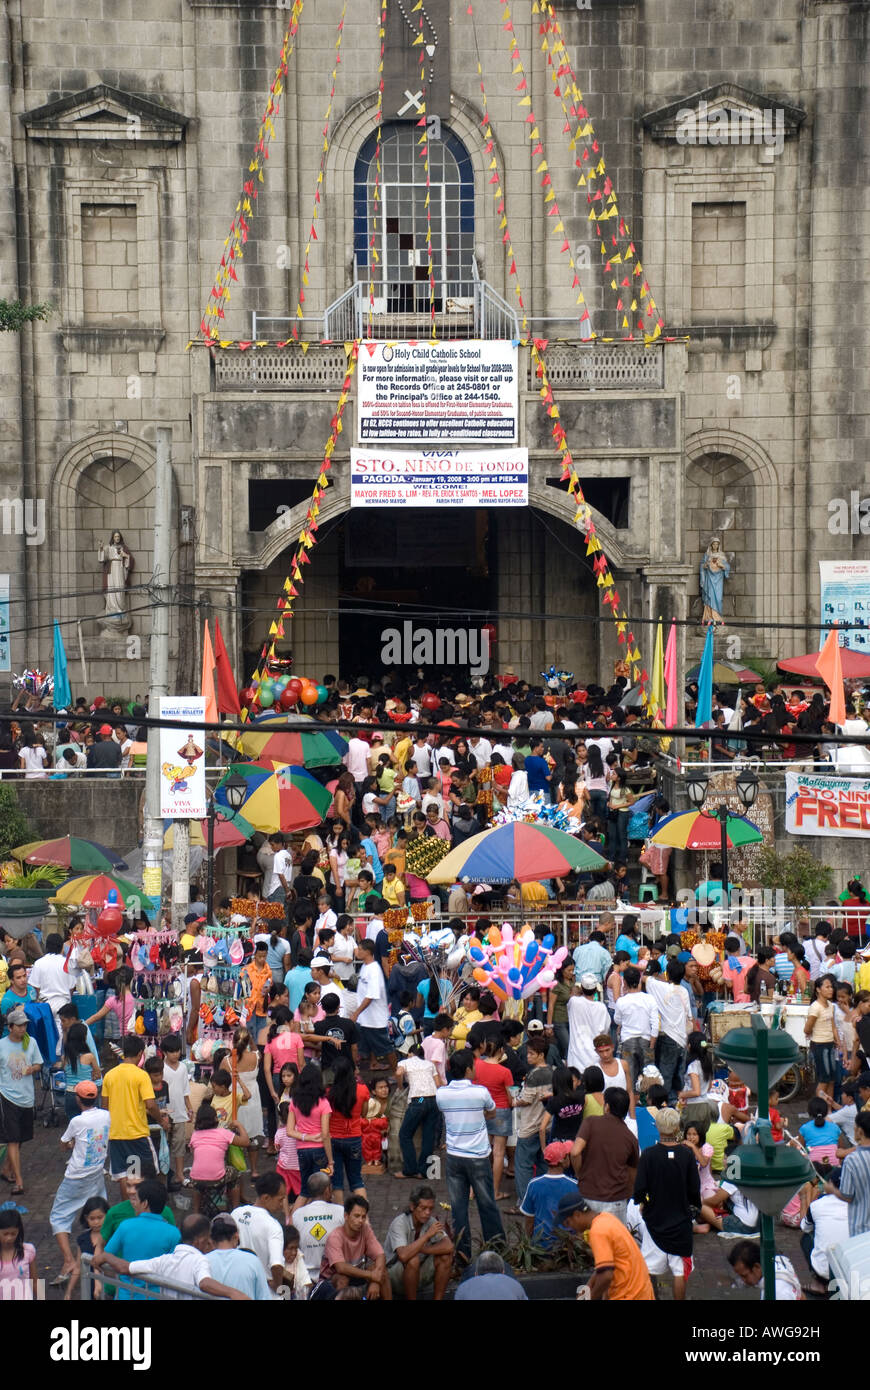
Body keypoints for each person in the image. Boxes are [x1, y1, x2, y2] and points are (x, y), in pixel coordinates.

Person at [436, 1048, 505, 1265]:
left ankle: (462, 1255)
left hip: (454, 1157)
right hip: (478, 1156)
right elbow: (492, 1112)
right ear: (467, 1070)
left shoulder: (442, 1094)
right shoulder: (480, 1092)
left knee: (458, 1208)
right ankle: (497, 1249)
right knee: (487, 1204)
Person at [99, 1211, 250, 1300]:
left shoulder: (164, 1260)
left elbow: (126, 1268)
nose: (210, 1244)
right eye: (208, 1240)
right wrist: (234, 1293)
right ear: (200, 1241)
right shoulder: (199, 1261)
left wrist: (106, 1257)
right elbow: (204, 1283)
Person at [632, 1108, 700, 1300]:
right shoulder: (686, 1155)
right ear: (677, 1127)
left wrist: (644, 1203)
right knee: (679, 1272)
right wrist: (693, 1210)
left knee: (648, 1269)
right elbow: (694, 1189)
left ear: (658, 1128)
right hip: (681, 1222)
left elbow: (639, 1190)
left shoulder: (648, 1155)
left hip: (655, 1220)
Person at [49, 1079, 111, 1286]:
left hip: (76, 1175)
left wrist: (72, 1144)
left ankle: (69, 1262)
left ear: (78, 1099)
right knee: (101, 1212)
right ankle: (99, 1255)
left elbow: (63, 1144)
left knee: (59, 1217)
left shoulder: (77, 1121)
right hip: (96, 1171)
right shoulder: (106, 1115)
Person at [102, 1035, 169, 1199]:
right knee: (147, 1173)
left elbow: (105, 1107)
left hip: (116, 1134)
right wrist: (162, 1121)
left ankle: (129, 1209)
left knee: (124, 1175)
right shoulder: (141, 1075)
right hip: (137, 1134)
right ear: (140, 1053)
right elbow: (151, 1105)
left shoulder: (109, 1075)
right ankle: (147, 1207)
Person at [92, 1180, 180, 1300]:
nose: (134, 1203)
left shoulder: (125, 1226)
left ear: (144, 1204)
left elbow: (107, 1253)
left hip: (126, 1295)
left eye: (136, 1200)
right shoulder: (174, 1233)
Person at [558, 1191, 654, 1300]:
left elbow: (606, 1276)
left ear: (577, 1215)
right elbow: (605, 1267)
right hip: (641, 1291)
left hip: (629, 1295)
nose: (570, 1227)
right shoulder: (606, 1218)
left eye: (568, 1223)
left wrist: (591, 1296)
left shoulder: (598, 1232)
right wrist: (589, 1286)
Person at [570, 1087, 639, 1223]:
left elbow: (575, 1151)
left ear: (606, 1106)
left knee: (588, 1240)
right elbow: (632, 1175)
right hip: (616, 1201)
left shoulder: (590, 1122)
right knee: (612, 1241)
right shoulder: (630, 1138)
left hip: (588, 1195)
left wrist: (580, 1174)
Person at [384, 1183, 454, 1301]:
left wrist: (423, 1249)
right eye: (423, 1208)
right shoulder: (399, 1223)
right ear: (412, 1207)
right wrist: (427, 1236)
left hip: (418, 1274)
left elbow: (449, 1246)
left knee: (446, 1256)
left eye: (430, 1209)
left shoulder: (430, 1222)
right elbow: (403, 1256)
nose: (427, 1213)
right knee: (413, 1259)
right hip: (393, 1277)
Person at [0, 1005, 43, 1195]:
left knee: (21, 1139)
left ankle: (6, 1168)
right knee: (13, 1139)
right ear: (10, 1027)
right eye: (18, 1026)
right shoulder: (1, 1045)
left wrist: (31, 1069)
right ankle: (19, 1181)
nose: (22, 1029)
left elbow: (38, 1064)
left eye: (24, 1025)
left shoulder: (30, 1042)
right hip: (7, 1096)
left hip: (27, 1097)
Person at [320, 1194, 392, 1300]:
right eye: (356, 1216)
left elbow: (380, 1255)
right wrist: (371, 1276)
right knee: (342, 1279)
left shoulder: (365, 1230)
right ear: (346, 1216)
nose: (360, 1221)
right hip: (332, 1281)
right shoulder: (335, 1237)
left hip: (357, 1275)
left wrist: (376, 1280)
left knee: (383, 1272)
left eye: (363, 1217)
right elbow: (341, 1268)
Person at [512, 1034, 554, 1207]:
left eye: (531, 1054)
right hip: (547, 1125)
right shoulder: (553, 1071)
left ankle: (525, 1201)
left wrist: (513, 1101)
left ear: (541, 1054)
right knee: (543, 1164)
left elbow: (527, 1099)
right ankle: (545, 1198)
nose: (528, 1056)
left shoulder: (533, 1075)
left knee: (523, 1166)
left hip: (529, 1126)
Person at [473, 1037, 515, 1202]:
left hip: (483, 1111)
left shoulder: (477, 1065)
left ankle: (477, 1188)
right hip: (502, 1111)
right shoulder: (505, 1072)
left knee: (484, 1151)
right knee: (499, 1153)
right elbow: (510, 1098)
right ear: (501, 1051)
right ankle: (495, 1191)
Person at [284, 1062, 333, 1200]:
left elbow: (289, 1131)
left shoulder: (294, 1102)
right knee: (320, 1191)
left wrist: (306, 1137)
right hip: (319, 1151)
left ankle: (292, 1219)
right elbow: (325, 1134)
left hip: (301, 1150)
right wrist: (331, 1161)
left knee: (305, 1191)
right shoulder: (323, 1103)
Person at [646, 959, 692, 1104]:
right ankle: (675, 1103)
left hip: (667, 1038)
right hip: (682, 1038)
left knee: (665, 1074)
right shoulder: (684, 991)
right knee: (678, 1076)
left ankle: (662, 1105)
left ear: (667, 974)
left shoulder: (661, 987)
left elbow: (645, 978)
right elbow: (689, 1016)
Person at [232, 1172, 287, 1290]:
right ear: (266, 1198)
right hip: (263, 1290)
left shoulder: (236, 1213)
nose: (282, 1204)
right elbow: (276, 1264)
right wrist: (278, 1285)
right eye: (280, 1199)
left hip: (236, 1285)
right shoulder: (273, 1226)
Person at [327, 1054, 369, 1203]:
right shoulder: (363, 1090)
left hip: (334, 1139)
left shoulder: (328, 1093)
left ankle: (340, 1217)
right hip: (354, 1137)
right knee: (356, 1180)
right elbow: (364, 1113)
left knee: (336, 1181)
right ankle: (364, 1217)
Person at [395, 1042, 441, 1181]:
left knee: (405, 1134)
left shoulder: (405, 1062)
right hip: (433, 1100)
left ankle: (410, 1169)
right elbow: (438, 1084)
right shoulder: (429, 1064)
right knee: (428, 1136)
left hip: (420, 1100)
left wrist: (401, 1086)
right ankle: (423, 1171)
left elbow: (398, 1073)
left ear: (410, 1054)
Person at [800, 1169, 850, 1294]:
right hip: (851, 1270)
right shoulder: (857, 1204)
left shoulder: (818, 1204)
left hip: (824, 1271)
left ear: (830, 1184)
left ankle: (819, 1284)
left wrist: (804, 1197)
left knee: (806, 1238)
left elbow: (804, 1227)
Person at [519, 1140, 578, 1246]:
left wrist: (527, 1245)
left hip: (541, 1246)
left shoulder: (534, 1184)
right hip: (567, 1247)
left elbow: (529, 1221)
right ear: (563, 1160)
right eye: (567, 1155)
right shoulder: (574, 1185)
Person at [292, 1171, 346, 1283]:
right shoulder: (340, 1212)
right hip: (335, 1276)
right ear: (327, 1190)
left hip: (306, 1276)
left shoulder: (297, 1215)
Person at [351, 938, 396, 1072]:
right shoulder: (365, 966)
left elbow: (371, 996)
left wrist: (356, 1013)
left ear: (368, 952)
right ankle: (374, 1062)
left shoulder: (374, 970)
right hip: (366, 1018)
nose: (357, 952)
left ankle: (396, 1072)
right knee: (368, 1042)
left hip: (376, 1019)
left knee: (386, 1048)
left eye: (360, 950)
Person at [207, 1214, 273, 1300]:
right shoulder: (252, 1261)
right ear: (236, 1236)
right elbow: (264, 1297)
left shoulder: (203, 1261)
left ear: (211, 1240)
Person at [825, 1111, 870, 1236]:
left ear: (860, 1131)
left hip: (861, 1227)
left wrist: (832, 1189)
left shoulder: (852, 1159)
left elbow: (847, 1195)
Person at [613, 966, 659, 1088]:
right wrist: (652, 1045)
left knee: (629, 1077)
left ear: (625, 982)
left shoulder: (621, 1001)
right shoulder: (649, 999)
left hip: (628, 1041)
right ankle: (647, 1101)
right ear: (639, 981)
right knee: (648, 1076)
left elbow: (617, 1020)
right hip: (646, 1041)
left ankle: (631, 1101)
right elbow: (655, 1024)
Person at [161, 1034, 193, 1192]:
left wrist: (190, 1108)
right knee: (164, 1146)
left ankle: (180, 1174)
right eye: (172, 1051)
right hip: (165, 1114)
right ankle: (165, 1175)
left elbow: (185, 1090)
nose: (175, 1054)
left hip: (180, 1112)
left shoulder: (182, 1068)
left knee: (179, 1145)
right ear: (164, 1052)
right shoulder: (160, 1069)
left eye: (177, 1051)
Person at [727, 1239, 803, 1300]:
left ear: (757, 1267)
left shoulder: (777, 1292)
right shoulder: (778, 1264)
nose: (742, 1280)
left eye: (745, 1276)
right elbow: (801, 1295)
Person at [805, 974, 842, 1099]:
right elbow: (807, 1028)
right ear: (818, 989)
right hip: (819, 1045)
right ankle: (820, 1109)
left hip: (830, 1044)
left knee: (831, 1078)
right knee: (824, 1079)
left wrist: (837, 1041)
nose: (831, 989)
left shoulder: (830, 1005)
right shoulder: (815, 1007)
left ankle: (829, 1109)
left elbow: (833, 1026)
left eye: (831, 987)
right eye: (827, 987)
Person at [566, 973, 610, 1072]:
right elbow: (605, 1030)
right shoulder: (601, 1007)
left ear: (582, 987)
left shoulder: (574, 1002)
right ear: (595, 990)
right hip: (595, 1056)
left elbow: (572, 993)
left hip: (576, 1057)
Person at [27, 932, 73, 1018]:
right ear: (62, 947)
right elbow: (71, 988)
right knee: (62, 1030)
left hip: (45, 1006)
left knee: (47, 1030)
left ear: (46, 946)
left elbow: (35, 987)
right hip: (64, 1005)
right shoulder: (68, 963)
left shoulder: (39, 963)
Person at [454, 1249, 528, 1301]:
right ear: (503, 1272)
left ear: (476, 1274)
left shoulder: (463, 1288)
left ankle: (468, 1267)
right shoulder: (514, 1285)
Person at [0, 1209, 38, 1299]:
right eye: (5, 1234)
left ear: (19, 1231)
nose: (9, 1238)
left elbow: (35, 1281)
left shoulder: (28, 1251)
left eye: (13, 1234)